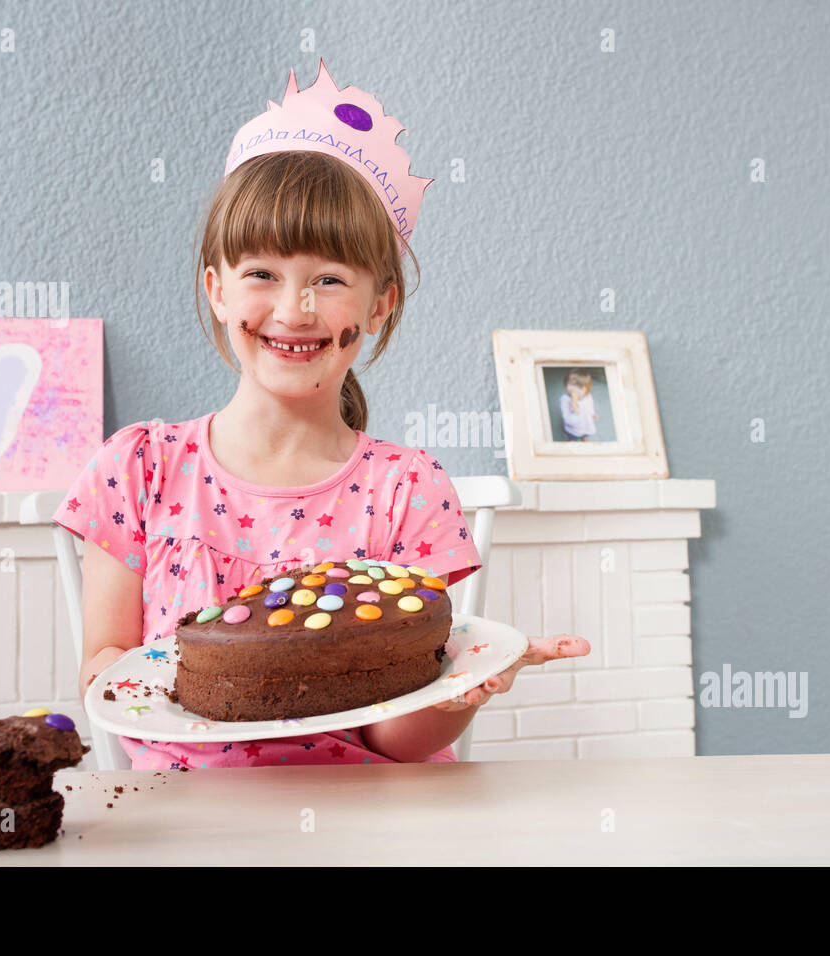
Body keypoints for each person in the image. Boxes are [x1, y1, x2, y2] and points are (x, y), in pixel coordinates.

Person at [53, 61, 590, 769]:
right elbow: (107, 660)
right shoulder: (139, 470)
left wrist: (459, 694)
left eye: (329, 280)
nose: (294, 310)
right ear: (216, 289)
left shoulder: (407, 490)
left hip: (368, 818)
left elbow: (397, 739)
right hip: (185, 819)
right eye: (261, 274)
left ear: (380, 304)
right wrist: (118, 684)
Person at [559, 369, 599, 440]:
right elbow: (567, 419)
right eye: (571, 385)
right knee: (572, 437)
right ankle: (571, 440)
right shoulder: (565, 400)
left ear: (587, 390)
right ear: (566, 384)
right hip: (574, 429)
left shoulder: (588, 397)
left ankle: (584, 437)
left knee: (586, 433)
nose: (574, 390)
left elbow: (590, 407)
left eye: (580, 387)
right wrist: (574, 411)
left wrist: (592, 414)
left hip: (586, 424)